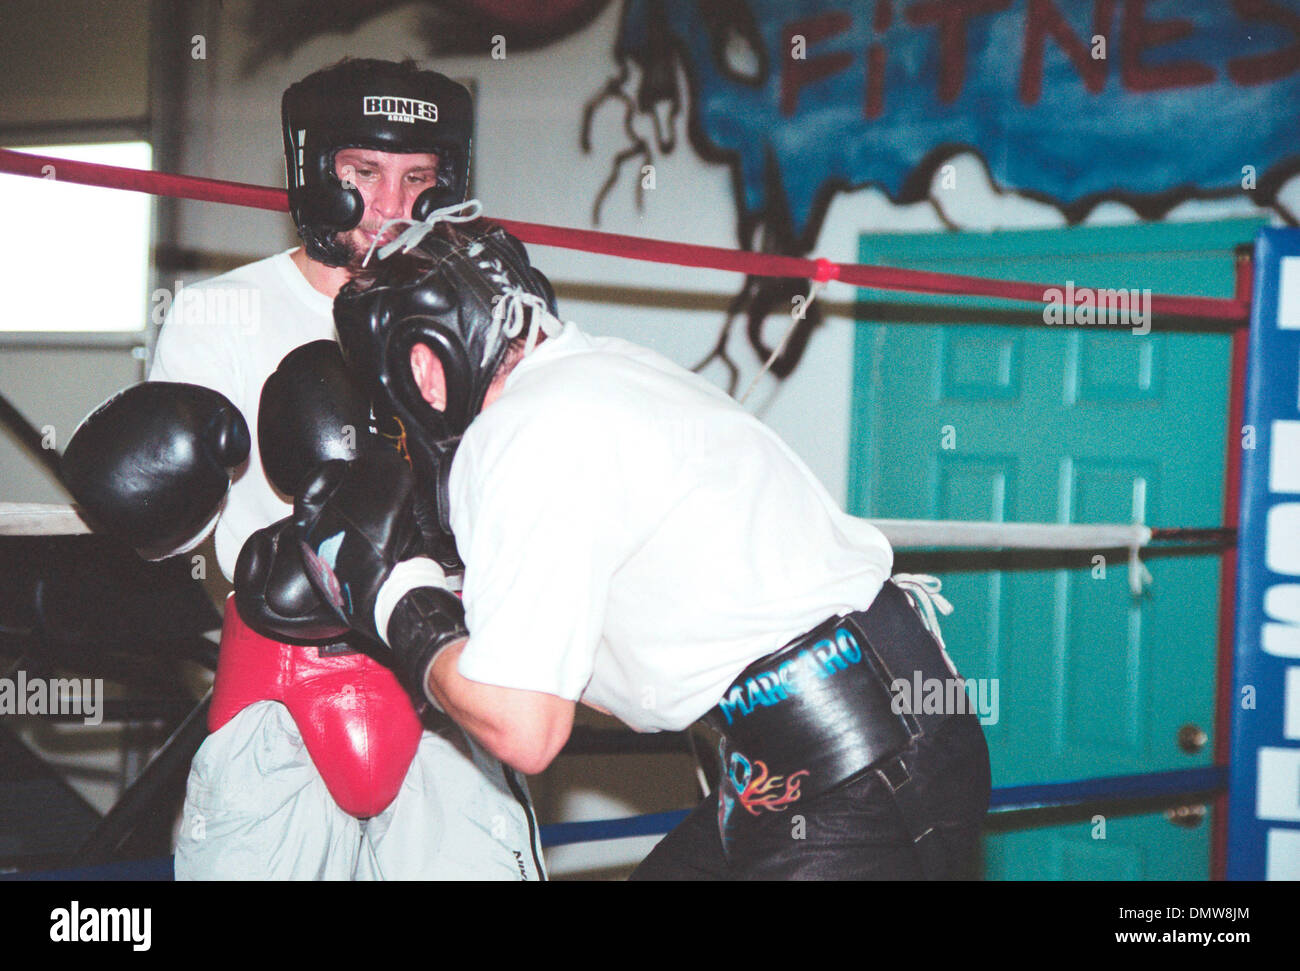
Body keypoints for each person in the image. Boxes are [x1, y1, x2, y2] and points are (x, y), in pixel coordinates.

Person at [284, 218, 992, 880]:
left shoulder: (518, 435)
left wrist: (398, 607)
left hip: (852, 770)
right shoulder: (603, 371)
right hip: (831, 748)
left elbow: (526, 732)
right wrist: (472, 617)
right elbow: (616, 679)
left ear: (423, 367)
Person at [142, 58, 543, 880]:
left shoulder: (476, 318)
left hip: (443, 687)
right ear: (316, 172)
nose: (393, 207)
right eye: (364, 174)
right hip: (276, 689)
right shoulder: (221, 312)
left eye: (417, 177)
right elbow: (191, 534)